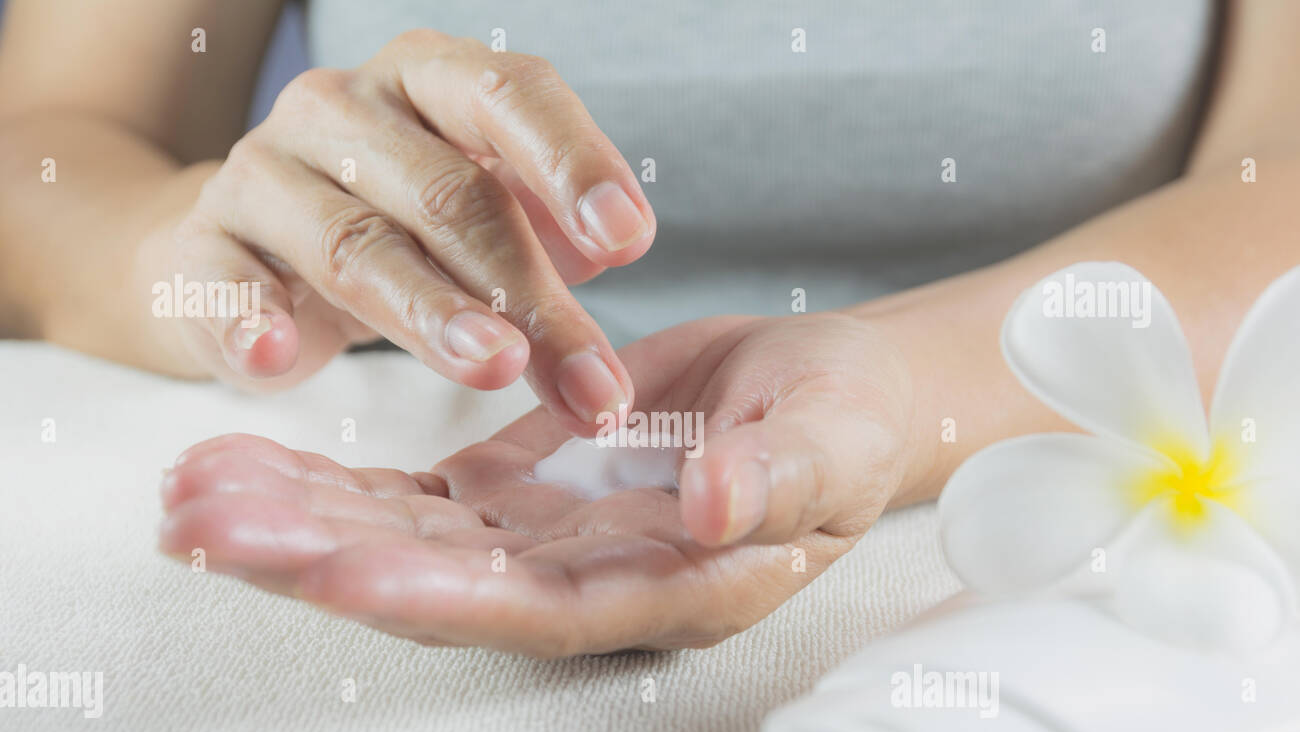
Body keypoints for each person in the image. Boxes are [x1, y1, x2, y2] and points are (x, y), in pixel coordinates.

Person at [2, 0, 1297, 655]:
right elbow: (45, 153)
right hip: (375, 457)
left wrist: (901, 385)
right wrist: (201, 256)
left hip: (1044, 535)